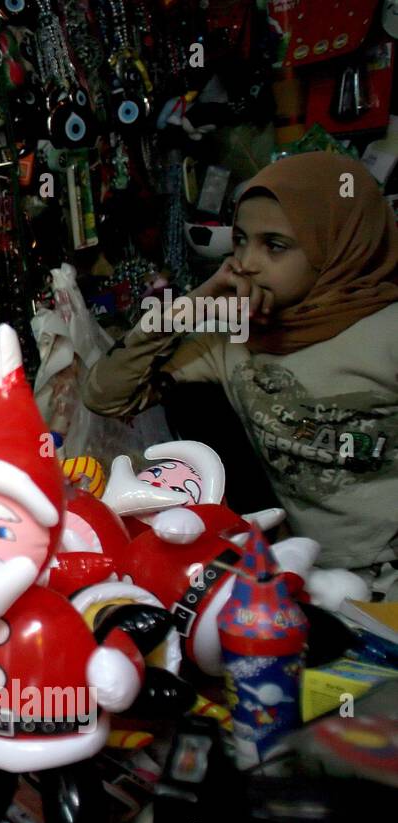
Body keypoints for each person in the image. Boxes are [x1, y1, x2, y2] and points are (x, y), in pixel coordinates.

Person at [83, 151, 398, 600]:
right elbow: (106, 395)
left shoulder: (386, 332)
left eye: (275, 245)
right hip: (304, 578)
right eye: (241, 241)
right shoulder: (233, 342)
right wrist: (192, 304)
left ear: (337, 245)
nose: (246, 263)